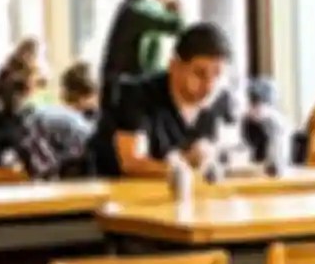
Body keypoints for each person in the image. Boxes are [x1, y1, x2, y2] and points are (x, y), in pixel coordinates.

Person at [91, 22, 235, 178]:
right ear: (174, 66)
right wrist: (186, 165)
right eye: (200, 74)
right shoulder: (136, 95)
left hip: (196, 196)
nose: (209, 86)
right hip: (122, 194)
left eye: (218, 75)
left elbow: (233, 153)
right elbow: (132, 163)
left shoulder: (221, 99)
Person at [97, 0, 184, 112]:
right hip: (125, 91)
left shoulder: (132, 6)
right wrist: (176, 9)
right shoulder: (141, 8)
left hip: (123, 88)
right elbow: (177, 26)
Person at [242, 76, 291, 169]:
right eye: (252, 105)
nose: (254, 110)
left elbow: (278, 158)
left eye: (258, 105)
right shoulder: (245, 121)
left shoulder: (276, 123)